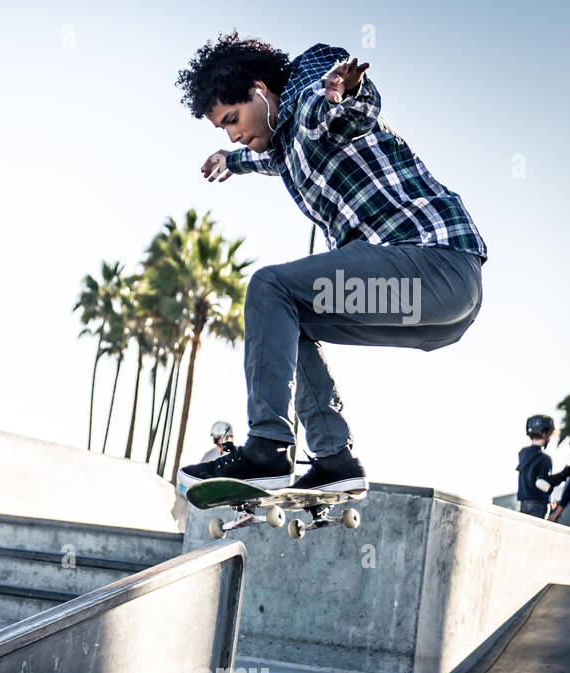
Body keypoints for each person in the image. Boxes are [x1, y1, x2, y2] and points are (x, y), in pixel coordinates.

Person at [173, 33, 486, 493]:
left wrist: (347, 92)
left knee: (269, 287)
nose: (234, 133)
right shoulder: (282, 146)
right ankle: (335, 459)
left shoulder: (306, 93)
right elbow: (270, 157)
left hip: (435, 263)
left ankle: (267, 448)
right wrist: (231, 159)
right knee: (286, 317)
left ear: (260, 91)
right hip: (430, 311)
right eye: (222, 129)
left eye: (233, 120)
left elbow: (337, 113)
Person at [518, 415, 558, 519]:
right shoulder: (545, 459)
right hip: (538, 505)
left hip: (523, 503)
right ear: (544, 433)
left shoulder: (522, 454)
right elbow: (544, 484)